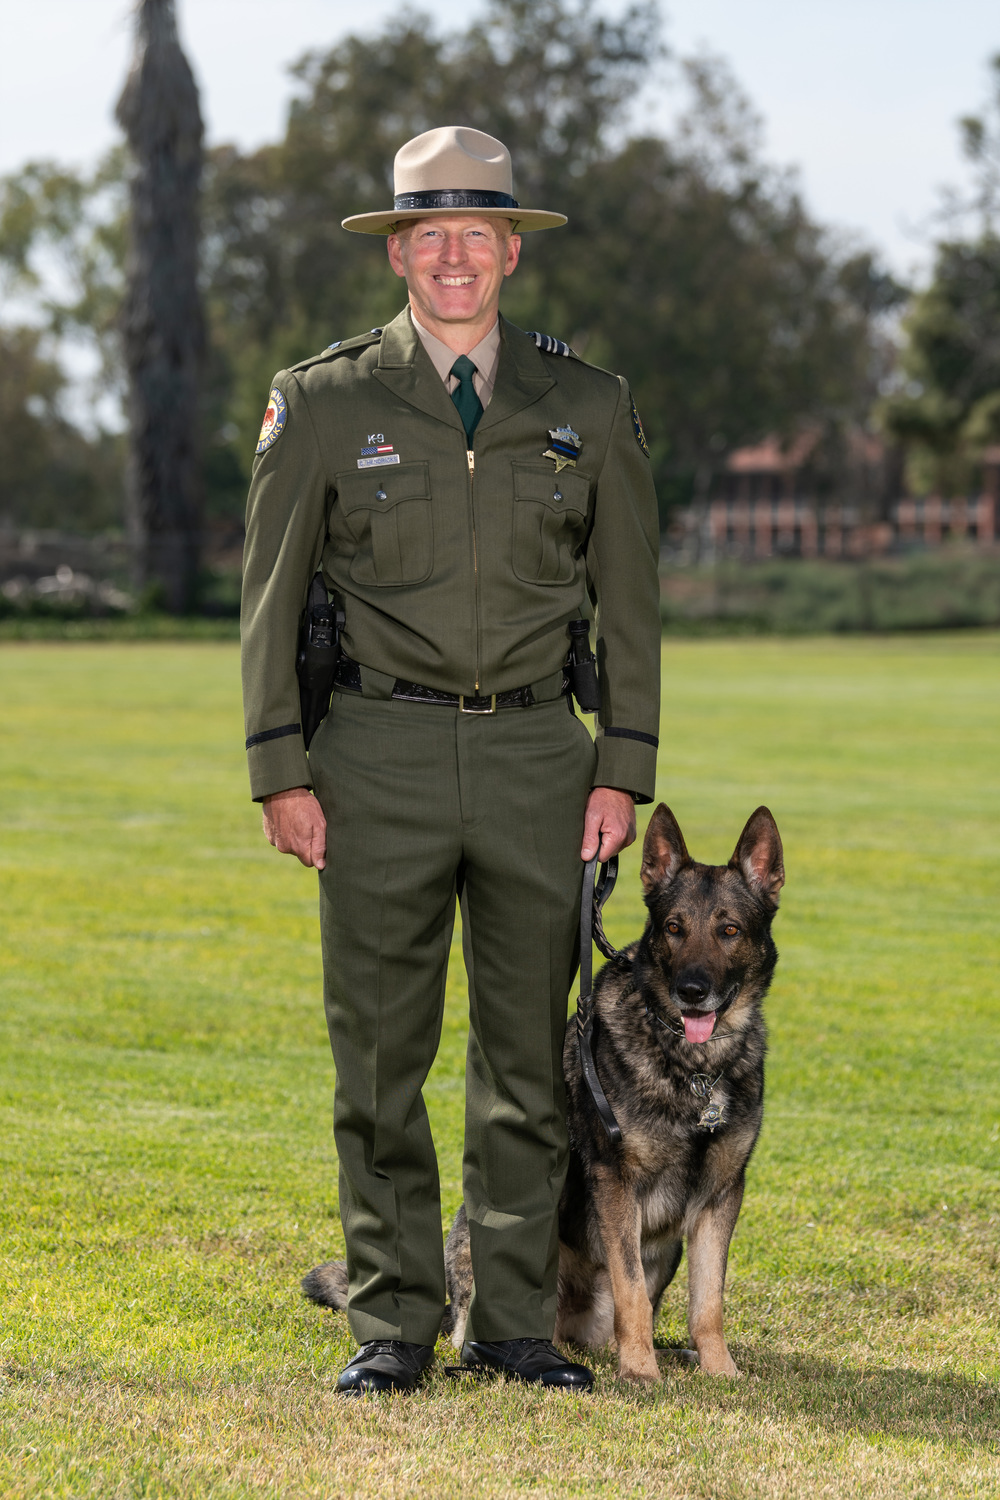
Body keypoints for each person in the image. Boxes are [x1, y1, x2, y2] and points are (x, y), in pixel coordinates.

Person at [240, 126, 661, 1395]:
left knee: (529, 1061)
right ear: (399, 252)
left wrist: (621, 768)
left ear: (513, 250)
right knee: (379, 1060)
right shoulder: (322, 402)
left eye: (479, 232)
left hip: (540, 754)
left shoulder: (588, 405)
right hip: (377, 756)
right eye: (431, 235)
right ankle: (391, 1320)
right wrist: (280, 770)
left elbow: (631, 606)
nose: (456, 256)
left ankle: (515, 1324)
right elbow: (269, 600)